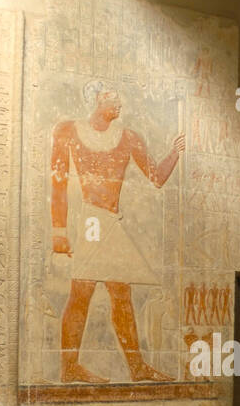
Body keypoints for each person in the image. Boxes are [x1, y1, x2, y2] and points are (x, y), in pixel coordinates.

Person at [49, 82, 184, 383]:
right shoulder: (68, 130)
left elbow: (156, 177)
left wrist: (175, 153)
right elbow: (58, 180)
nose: (119, 102)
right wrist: (59, 229)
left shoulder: (130, 139)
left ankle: (135, 368)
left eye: (119, 97)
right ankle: (70, 367)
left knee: (121, 294)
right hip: (91, 222)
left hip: (111, 221)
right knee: (82, 292)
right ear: (95, 99)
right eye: (111, 97)